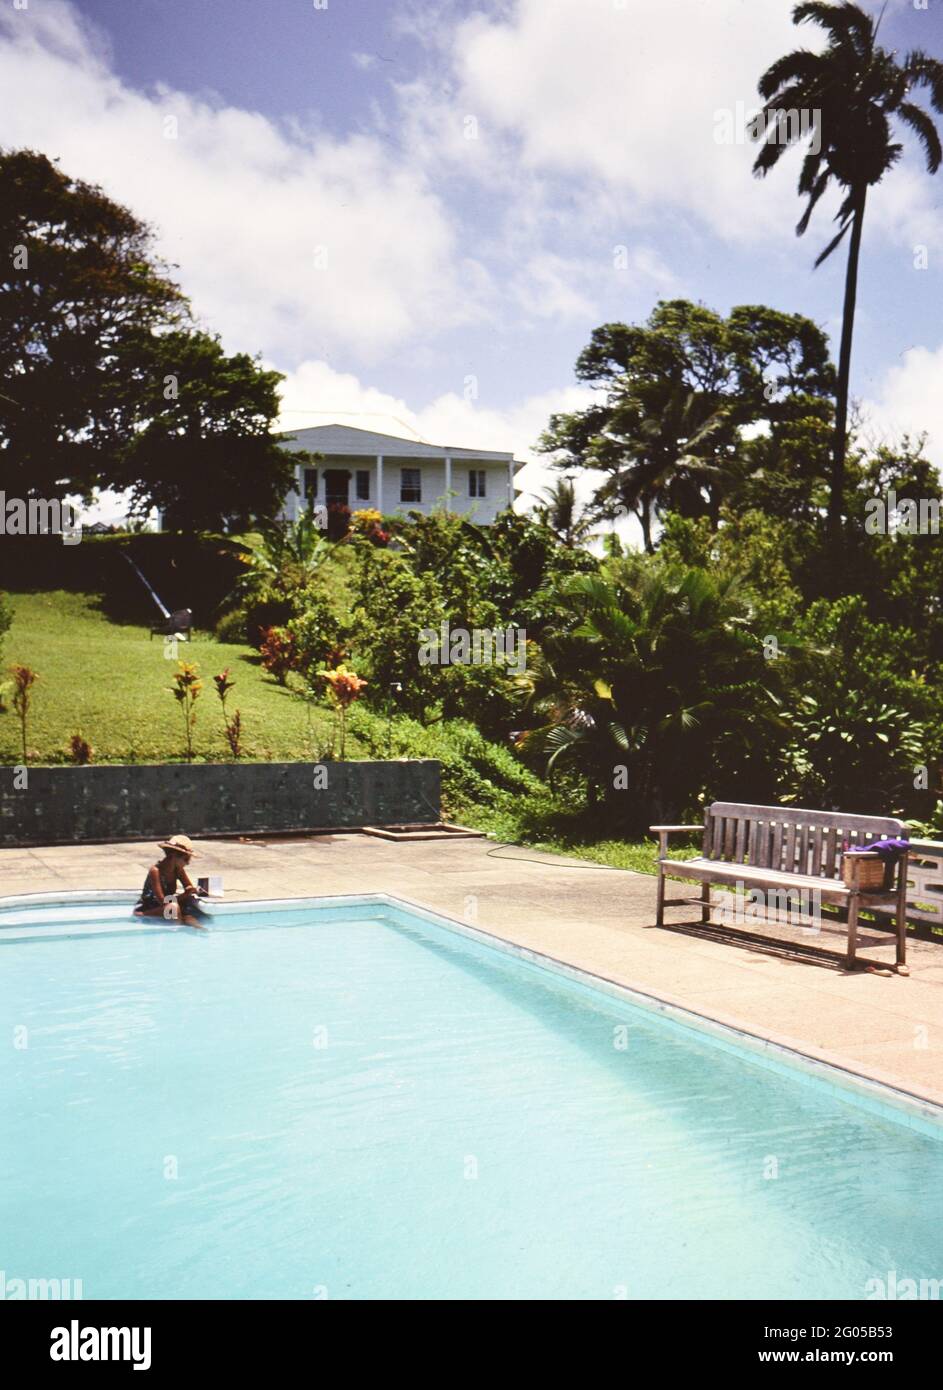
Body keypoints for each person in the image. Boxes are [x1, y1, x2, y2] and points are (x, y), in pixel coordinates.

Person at [135, 834, 209, 926]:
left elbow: (188, 887)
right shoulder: (155, 871)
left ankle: (201, 931)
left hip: (168, 906)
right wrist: (186, 894)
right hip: (149, 909)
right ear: (174, 856)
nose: (188, 863)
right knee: (173, 908)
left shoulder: (178, 870)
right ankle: (176, 932)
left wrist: (193, 890)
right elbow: (163, 902)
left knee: (189, 912)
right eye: (186, 859)